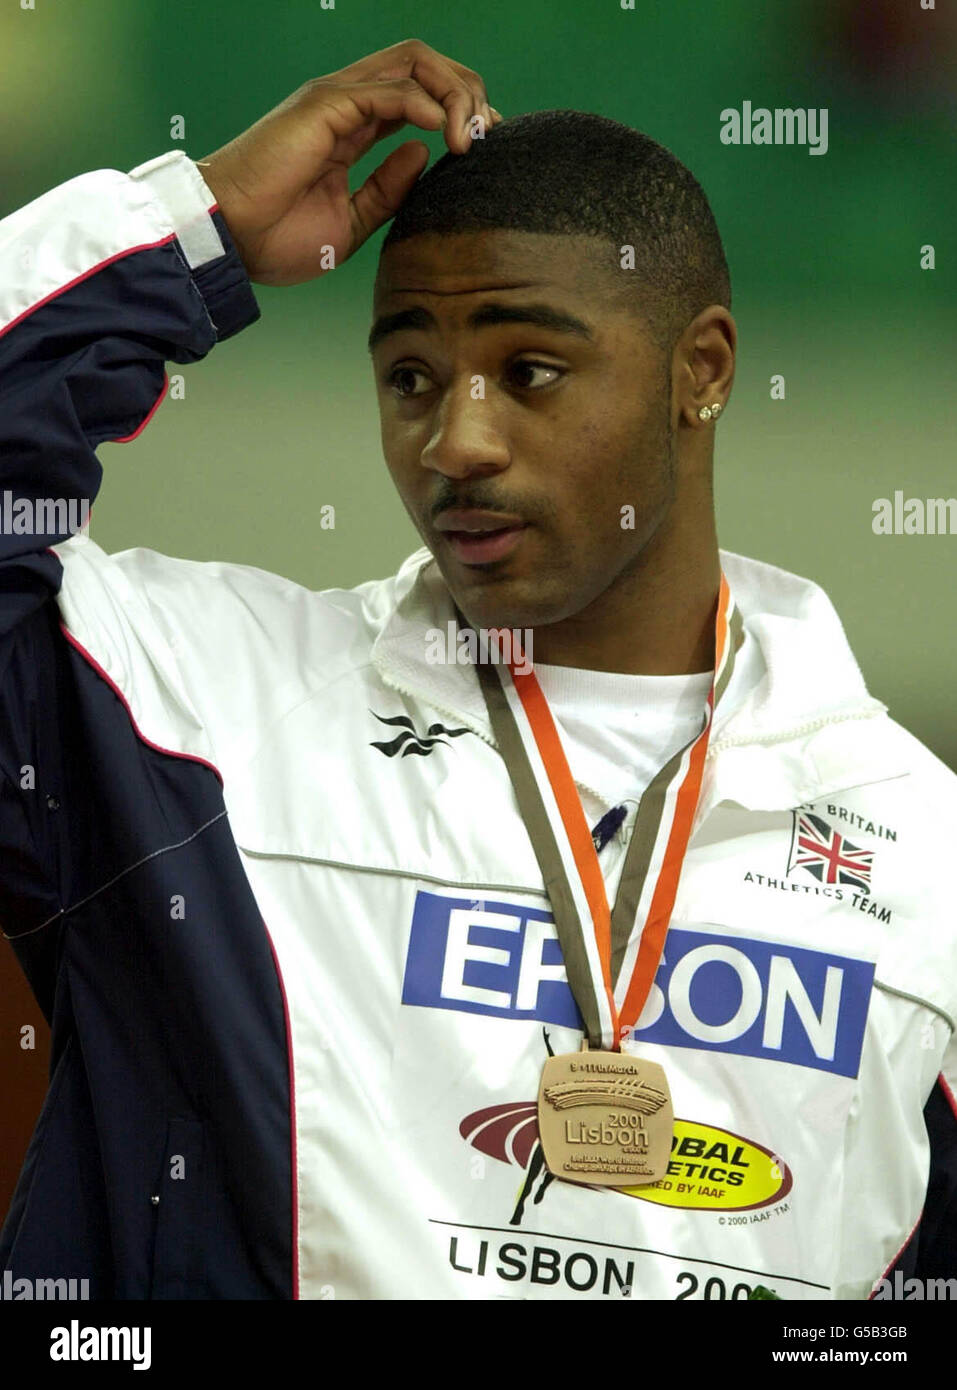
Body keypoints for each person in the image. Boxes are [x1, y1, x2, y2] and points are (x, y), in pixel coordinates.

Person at [0, 38, 954, 1302]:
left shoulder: (925, 857)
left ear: (702, 371)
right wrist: (191, 228)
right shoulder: (188, 713)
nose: (458, 439)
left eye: (530, 371)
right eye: (410, 376)